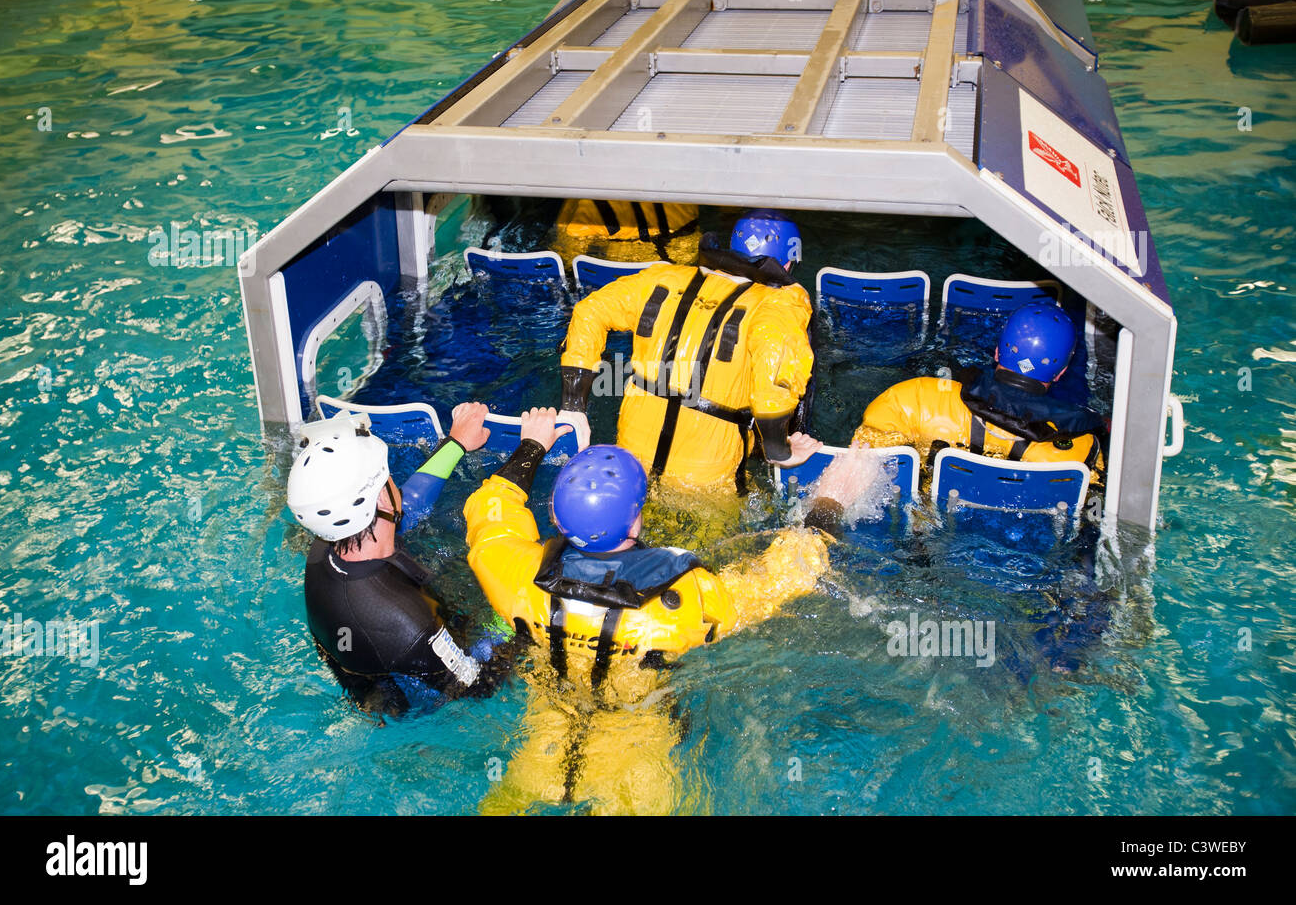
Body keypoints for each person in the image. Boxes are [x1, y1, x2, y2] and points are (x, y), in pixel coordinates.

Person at [462, 408, 875, 813]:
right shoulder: (683, 603)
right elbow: (789, 572)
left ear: (553, 514)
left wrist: (533, 444)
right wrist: (831, 501)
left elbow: (490, 508)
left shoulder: (514, 575)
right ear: (636, 523)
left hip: (540, 753)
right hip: (639, 765)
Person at [558, 209, 820, 490]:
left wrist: (573, 406)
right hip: (707, 470)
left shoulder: (663, 277)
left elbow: (590, 311)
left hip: (632, 453)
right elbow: (775, 361)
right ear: (789, 263)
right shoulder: (779, 303)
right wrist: (779, 450)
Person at [287, 403, 512, 715]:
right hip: (412, 701)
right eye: (389, 477)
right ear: (380, 498)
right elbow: (476, 684)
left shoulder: (328, 542)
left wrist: (456, 444)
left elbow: (408, 506)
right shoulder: (409, 625)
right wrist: (518, 611)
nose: (396, 485)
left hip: (365, 652)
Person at [853, 304, 1106, 473]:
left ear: (997, 352)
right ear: (1061, 372)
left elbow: (861, 465)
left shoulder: (912, 397)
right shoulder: (1082, 448)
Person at [551, 198, 701, 265]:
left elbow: (568, 258)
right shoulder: (681, 186)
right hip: (685, 258)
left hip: (624, 270)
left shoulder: (586, 208)